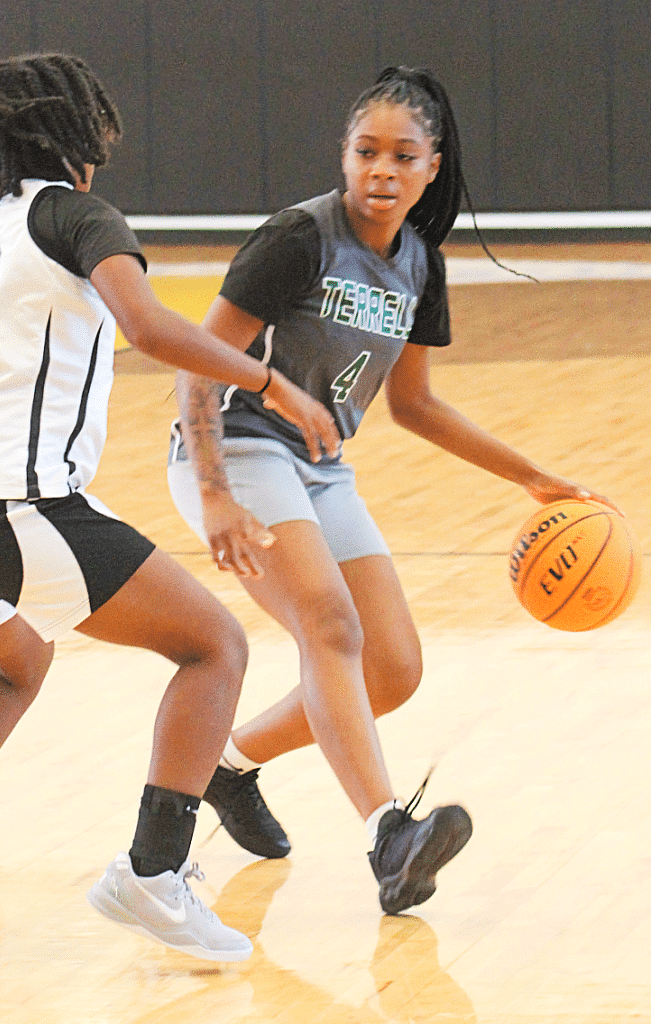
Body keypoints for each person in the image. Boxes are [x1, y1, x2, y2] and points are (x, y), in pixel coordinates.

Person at [0, 53, 340, 962]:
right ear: (80, 140)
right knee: (213, 646)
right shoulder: (80, 214)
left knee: (18, 662)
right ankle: (152, 876)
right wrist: (272, 382)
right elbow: (152, 327)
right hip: (2, 499)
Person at [167, 65, 616, 915]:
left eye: (401, 156)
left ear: (430, 168)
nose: (381, 170)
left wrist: (532, 477)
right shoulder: (296, 237)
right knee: (329, 625)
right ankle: (388, 834)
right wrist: (214, 491)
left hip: (320, 466)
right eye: (365, 151)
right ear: (342, 156)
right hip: (236, 449)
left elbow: (413, 405)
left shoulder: (419, 265)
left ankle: (226, 767)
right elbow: (198, 355)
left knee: (394, 668)